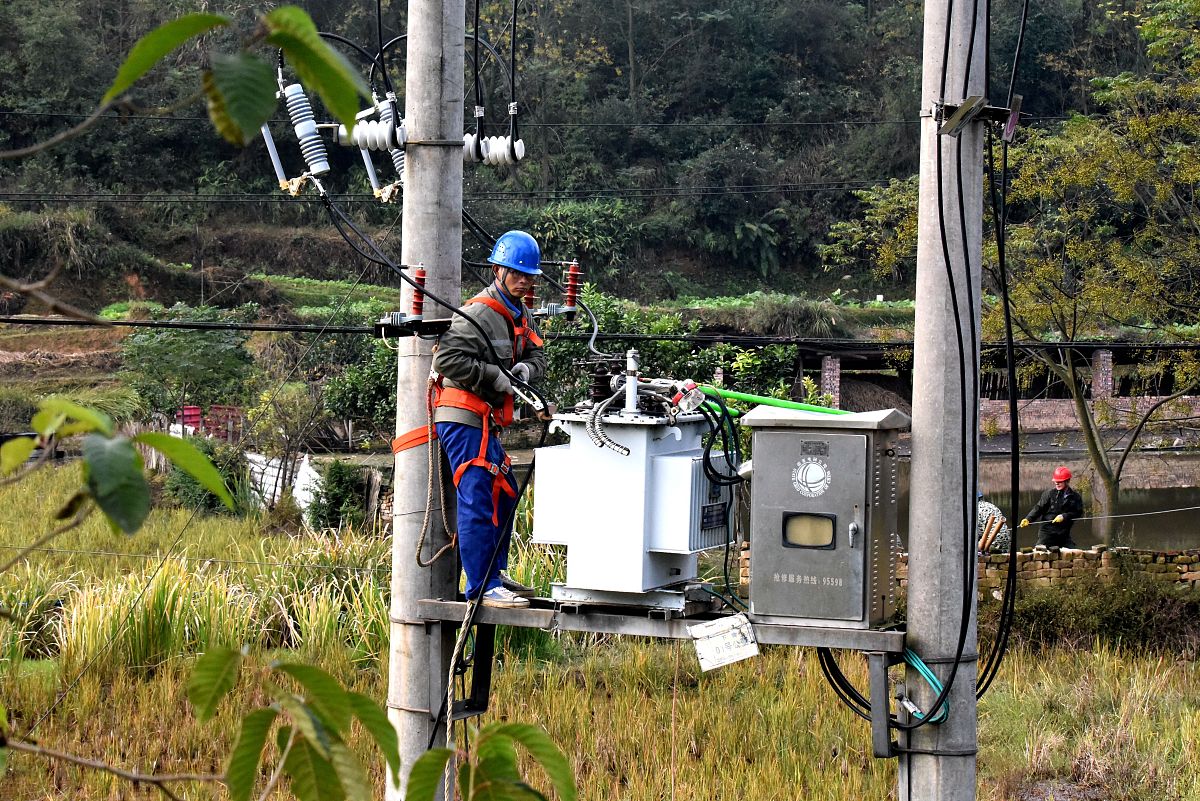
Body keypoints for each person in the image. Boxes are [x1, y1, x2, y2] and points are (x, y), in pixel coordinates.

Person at [431, 230, 546, 608]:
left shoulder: (522, 315)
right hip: (462, 415)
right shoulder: (480, 312)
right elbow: (446, 360)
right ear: (498, 269)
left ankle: (494, 575)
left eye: (528, 275)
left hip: (487, 419)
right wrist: (496, 376)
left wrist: (525, 372)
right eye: (516, 272)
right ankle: (481, 586)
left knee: (506, 493)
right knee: (479, 493)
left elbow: (538, 357)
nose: (523, 280)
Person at [1019, 466, 1084, 549]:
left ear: (1067, 481)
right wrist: (1028, 518)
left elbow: (1078, 513)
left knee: (1073, 553)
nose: (1057, 483)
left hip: (1064, 533)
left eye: (1060, 481)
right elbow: (1039, 508)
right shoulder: (1049, 494)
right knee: (1040, 553)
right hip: (1047, 532)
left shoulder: (1075, 497)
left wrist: (1064, 516)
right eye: (1056, 481)